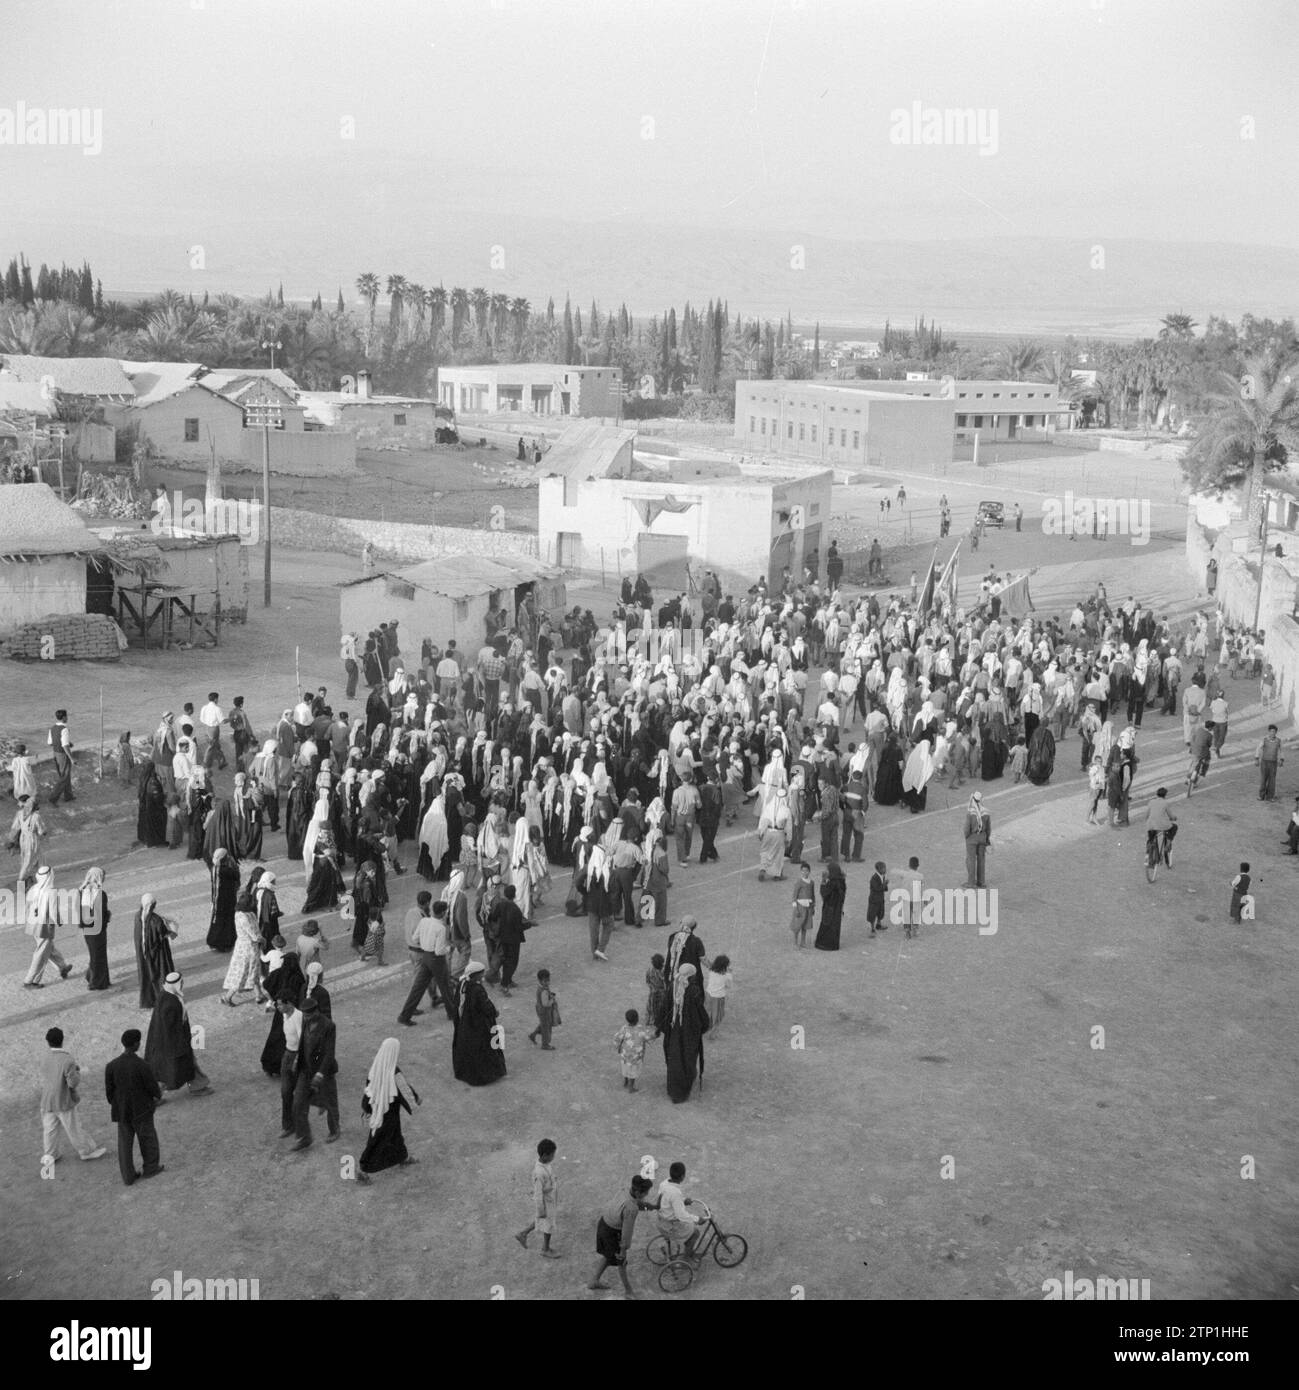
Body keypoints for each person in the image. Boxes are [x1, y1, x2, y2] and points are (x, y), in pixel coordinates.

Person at [38, 1027, 107, 1164]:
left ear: (48, 1042)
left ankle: (51, 1154)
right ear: (62, 1040)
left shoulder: (44, 1057)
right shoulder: (67, 1060)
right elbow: (72, 1083)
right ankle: (86, 1151)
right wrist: (77, 1071)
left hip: (47, 1101)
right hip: (63, 1101)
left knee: (50, 1130)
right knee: (74, 1128)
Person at [104, 1028, 164, 1185]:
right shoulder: (142, 1065)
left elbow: (109, 1093)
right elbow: (153, 1088)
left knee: (124, 1144)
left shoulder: (111, 1066)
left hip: (122, 1111)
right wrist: (157, 1097)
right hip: (142, 1110)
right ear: (136, 1044)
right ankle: (151, 1168)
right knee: (148, 1139)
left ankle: (128, 1176)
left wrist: (118, 1104)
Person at [358, 1037, 421, 1180]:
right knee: (379, 1138)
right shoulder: (394, 1071)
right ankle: (363, 1169)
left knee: (395, 1135)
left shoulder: (375, 1067)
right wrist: (415, 1100)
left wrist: (367, 1109)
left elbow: (368, 1090)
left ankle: (402, 1157)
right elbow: (404, 1090)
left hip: (377, 1108)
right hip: (389, 1111)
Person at [146, 972, 212, 1097]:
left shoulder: (164, 996)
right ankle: (197, 1087)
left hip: (163, 1042)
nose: (182, 985)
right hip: (174, 1043)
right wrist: (182, 1041)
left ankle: (154, 1096)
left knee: (165, 1069)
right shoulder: (172, 1003)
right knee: (177, 1067)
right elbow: (172, 1026)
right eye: (181, 983)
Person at [588, 1174, 655, 1297]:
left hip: (603, 1224)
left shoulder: (625, 1189)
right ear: (639, 1192)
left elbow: (634, 1202)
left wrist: (649, 1206)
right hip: (612, 1233)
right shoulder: (631, 1209)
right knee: (621, 1262)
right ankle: (628, 1292)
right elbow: (626, 1232)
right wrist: (623, 1250)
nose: (647, 1195)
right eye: (646, 1193)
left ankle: (594, 1281)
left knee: (609, 1256)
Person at [290, 997, 340, 1150]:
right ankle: (304, 1137)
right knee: (297, 1104)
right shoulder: (306, 1019)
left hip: (323, 1071)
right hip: (305, 1069)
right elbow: (303, 1042)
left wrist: (320, 1074)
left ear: (316, 1012)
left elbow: (329, 1054)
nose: (306, 1018)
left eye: (309, 1015)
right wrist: (298, 1058)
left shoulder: (328, 1026)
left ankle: (334, 1129)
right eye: (304, 1015)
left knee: (331, 1103)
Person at [398, 900, 456, 1026]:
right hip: (437, 960)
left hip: (425, 956)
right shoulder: (441, 928)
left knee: (418, 988)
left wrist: (425, 944)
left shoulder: (424, 921)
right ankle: (452, 1013)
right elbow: (440, 951)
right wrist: (449, 948)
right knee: (445, 987)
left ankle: (405, 1015)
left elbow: (415, 938)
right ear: (442, 913)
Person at [658, 962, 709, 1103]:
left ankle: (674, 1090)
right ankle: (681, 1091)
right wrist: (703, 1025)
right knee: (686, 1059)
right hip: (688, 1033)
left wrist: (665, 1028)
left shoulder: (671, 988)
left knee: (674, 1059)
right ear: (691, 977)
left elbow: (663, 1010)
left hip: (673, 1032)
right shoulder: (694, 991)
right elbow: (700, 1013)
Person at [452, 960, 507, 1085]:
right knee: (484, 1047)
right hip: (478, 1024)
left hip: (464, 1022)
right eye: (481, 974)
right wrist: (495, 1012)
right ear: (475, 975)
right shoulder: (476, 989)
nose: (482, 976)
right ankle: (485, 1075)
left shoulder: (462, 984)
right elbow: (486, 1006)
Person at [21, 865, 71, 989]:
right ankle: (30, 981)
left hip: (32, 923)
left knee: (48, 948)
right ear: (50, 876)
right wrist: (59, 921)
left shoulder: (33, 888)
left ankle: (62, 967)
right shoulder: (51, 891)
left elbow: (27, 906)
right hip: (44, 926)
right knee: (41, 954)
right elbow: (53, 912)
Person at [516, 1138, 560, 1257]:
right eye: (552, 1155)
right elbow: (538, 1193)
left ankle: (523, 1233)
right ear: (545, 1155)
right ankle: (545, 1249)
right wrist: (541, 1210)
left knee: (543, 1221)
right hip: (546, 1203)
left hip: (549, 1200)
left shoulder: (545, 1164)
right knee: (548, 1225)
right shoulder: (539, 1172)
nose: (553, 1157)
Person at [654, 1161, 703, 1260]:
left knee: (688, 1228)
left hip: (661, 1219)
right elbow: (681, 1215)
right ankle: (687, 1257)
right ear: (682, 1176)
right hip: (669, 1225)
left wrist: (684, 1200)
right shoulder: (675, 1193)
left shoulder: (664, 1184)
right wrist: (697, 1219)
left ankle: (687, 1245)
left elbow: (667, 1201)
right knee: (695, 1233)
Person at [134, 893, 176, 1009]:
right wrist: (172, 929)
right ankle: (163, 998)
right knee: (160, 974)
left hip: (143, 955)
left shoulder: (137, 917)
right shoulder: (156, 920)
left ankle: (148, 1001)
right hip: (158, 954)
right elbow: (163, 934)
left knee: (146, 976)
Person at [491, 883, 530, 993]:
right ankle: (505, 982)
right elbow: (519, 927)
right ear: (514, 895)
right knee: (512, 961)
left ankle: (507, 980)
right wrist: (530, 924)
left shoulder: (500, 905)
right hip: (513, 939)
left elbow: (493, 916)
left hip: (503, 937)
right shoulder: (516, 909)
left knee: (506, 959)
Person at [77, 866, 111, 991]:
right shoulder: (100, 894)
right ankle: (96, 982)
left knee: (94, 954)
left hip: (87, 929)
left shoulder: (81, 891)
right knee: (99, 955)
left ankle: (94, 977)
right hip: (98, 930)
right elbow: (101, 914)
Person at [8, 795, 46, 892]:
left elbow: (15, 827)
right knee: (29, 862)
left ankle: (39, 881)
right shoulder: (36, 816)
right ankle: (21, 883)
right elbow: (41, 831)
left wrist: (11, 840)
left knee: (37, 860)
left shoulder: (19, 813)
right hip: (33, 840)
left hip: (23, 839)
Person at [205, 847, 239, 952]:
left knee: (217, 921)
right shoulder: (225, 870)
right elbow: (236, 875)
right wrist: (233, 863)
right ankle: (224, 943)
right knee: (226, 921)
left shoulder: (214, 868)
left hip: (217, 900)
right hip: (226, 900)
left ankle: (214, 941)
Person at [756, 788, 792, 881]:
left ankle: (763, 868)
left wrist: (760, 832)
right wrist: (789, 838)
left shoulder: (768, 806)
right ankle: (777, 875)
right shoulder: (786, 810)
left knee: (764, 851)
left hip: (768, 831)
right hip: (779, 833)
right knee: (778, 854)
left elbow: (762, 820)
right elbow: (789, 827)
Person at [613, 1008, 651, 1091]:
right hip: (635, 1057)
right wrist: (656, 1034)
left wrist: (618, 1047)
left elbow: (617, 1038)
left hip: (625, 1055)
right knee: (633, 1071)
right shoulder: (641, 1029)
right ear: (637, 1018)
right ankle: (631, 1087)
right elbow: (648, 1037)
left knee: (626, 1067)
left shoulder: (624, 1028)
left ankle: (626, 1081)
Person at [814, 861, 847, 950]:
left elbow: (824, 893)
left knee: (826, 926)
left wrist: (823, 880)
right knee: (834, 926)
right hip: (837, 908)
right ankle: (833, 945)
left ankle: (825, 945)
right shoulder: (842, 882)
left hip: (830, 908)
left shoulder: (832, 883)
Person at [1144, 787, 1177, 868]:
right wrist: (1174, 818)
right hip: (1162, 825)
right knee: (1174, 827)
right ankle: (1168, 843)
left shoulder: (1151, 802)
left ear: (1156, 794)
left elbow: (1146, 815)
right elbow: (1171, 816)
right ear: (1165, 795)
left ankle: (1149, 856)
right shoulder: (1165, 803)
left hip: (1150, 825)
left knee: (1151, 840)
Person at [963, 792, 991, 888]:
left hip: (972, 838)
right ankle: (981, 882)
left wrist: (967, 837)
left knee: (971, 860)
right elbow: (989, 828)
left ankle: (971, 882)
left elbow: (967, 828)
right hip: (982, 837)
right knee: (981, 860)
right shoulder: (986, 812)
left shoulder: (970, 812)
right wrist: (986, 838)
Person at [47, 709, 74, 804]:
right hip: (62, 754)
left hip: (55, 753)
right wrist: (71, 758)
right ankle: (53, 798)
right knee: (65, 776)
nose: (67, 718)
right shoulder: (64, 729)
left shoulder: (52, 728)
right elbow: (65, 746)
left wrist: (65, 743)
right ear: (63, 717)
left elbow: (50, 743)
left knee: (63, 775)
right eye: (67, 716)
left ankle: (68, 795)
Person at [529, 969, 558, 1050]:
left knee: (544, 1024)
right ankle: (545, 1044)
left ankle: (533, 1035)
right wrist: (552, 1000)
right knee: (546, 1028)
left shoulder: (541, 987)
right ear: (540, 980)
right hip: (544, 1011)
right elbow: (545, 1004)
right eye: (545, 981)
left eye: (548, 980)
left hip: (540, 1010)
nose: (548, 982)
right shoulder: (544, 991)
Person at [704, 954, 733, 1036]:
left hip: (709, 995)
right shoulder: (726, 976)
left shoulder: (711, 971)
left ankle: (706, 1027)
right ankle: (713, 1034)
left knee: (708, 1012)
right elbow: (728, 986)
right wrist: (730, 973)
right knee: (718, 1015)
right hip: (718, 998)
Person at [790, 862, 816, 948]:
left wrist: (813, 906)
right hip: (800, 906)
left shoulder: (812, 882)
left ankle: (803, 942)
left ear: (809, 872)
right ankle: (794, 943)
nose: (805, 872)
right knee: (797, 925)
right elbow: (795, 895)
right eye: (803, 871)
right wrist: (795, 908)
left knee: (805, 925)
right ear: (801, 872)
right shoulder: (799, 882)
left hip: (808, 906)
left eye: (806, 871)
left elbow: (813, 895)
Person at [1256, 725, 1284, 801]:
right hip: (1264, 762)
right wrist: (1256, 758)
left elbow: (1281, 750)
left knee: (1272, 780)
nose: (1272, 733)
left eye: (1274, 732)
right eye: (1271, 731)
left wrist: (1281, 759)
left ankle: (1270, 796)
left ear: (1276, 732)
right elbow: (1258, 749)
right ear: (1268, 732)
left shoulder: (1278, 741)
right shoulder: (1264, 740)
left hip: (1273, 763)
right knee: (1263, 779)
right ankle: (1261, 796)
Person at [867, 861, 888, 937]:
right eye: (883, 868)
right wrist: (884, 884)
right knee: (872, 913)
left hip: (880, 898)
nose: (885, 869)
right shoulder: (874, 878)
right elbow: (877, 888)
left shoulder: (882, 876)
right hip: (874, 899)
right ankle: (872, 929)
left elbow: (883, 888)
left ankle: (878, 924)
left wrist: (885, 885)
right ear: (878, 869)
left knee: (880, 912)